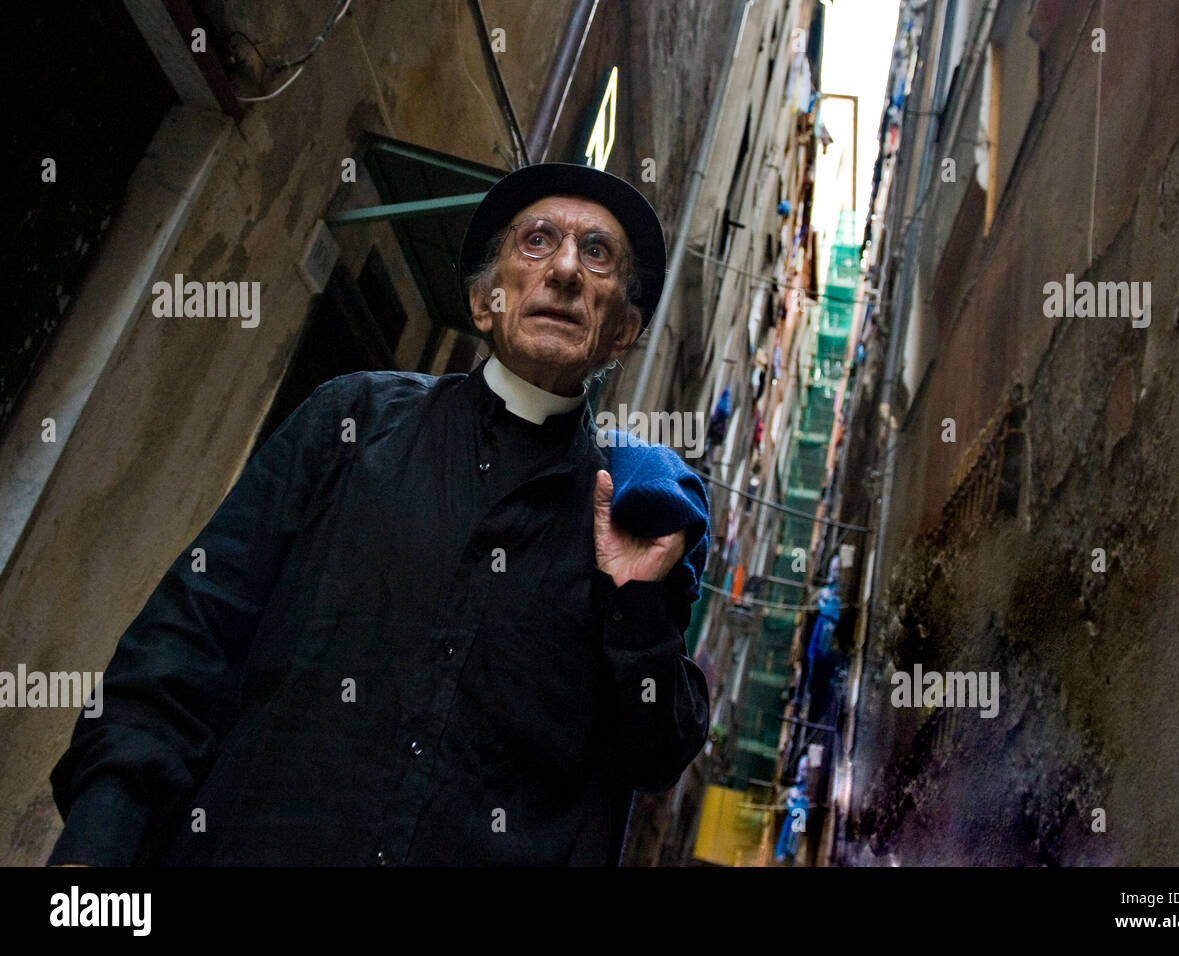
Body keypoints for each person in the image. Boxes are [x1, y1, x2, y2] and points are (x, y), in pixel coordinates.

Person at [47, 162, 711, 866]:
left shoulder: (630, 521)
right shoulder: (352, 420)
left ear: (623, 332)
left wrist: (637, 610)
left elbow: (655, 752)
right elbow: (184, 644)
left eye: (598, 253)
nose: (568, 270)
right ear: (484, 301)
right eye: (538, 242)